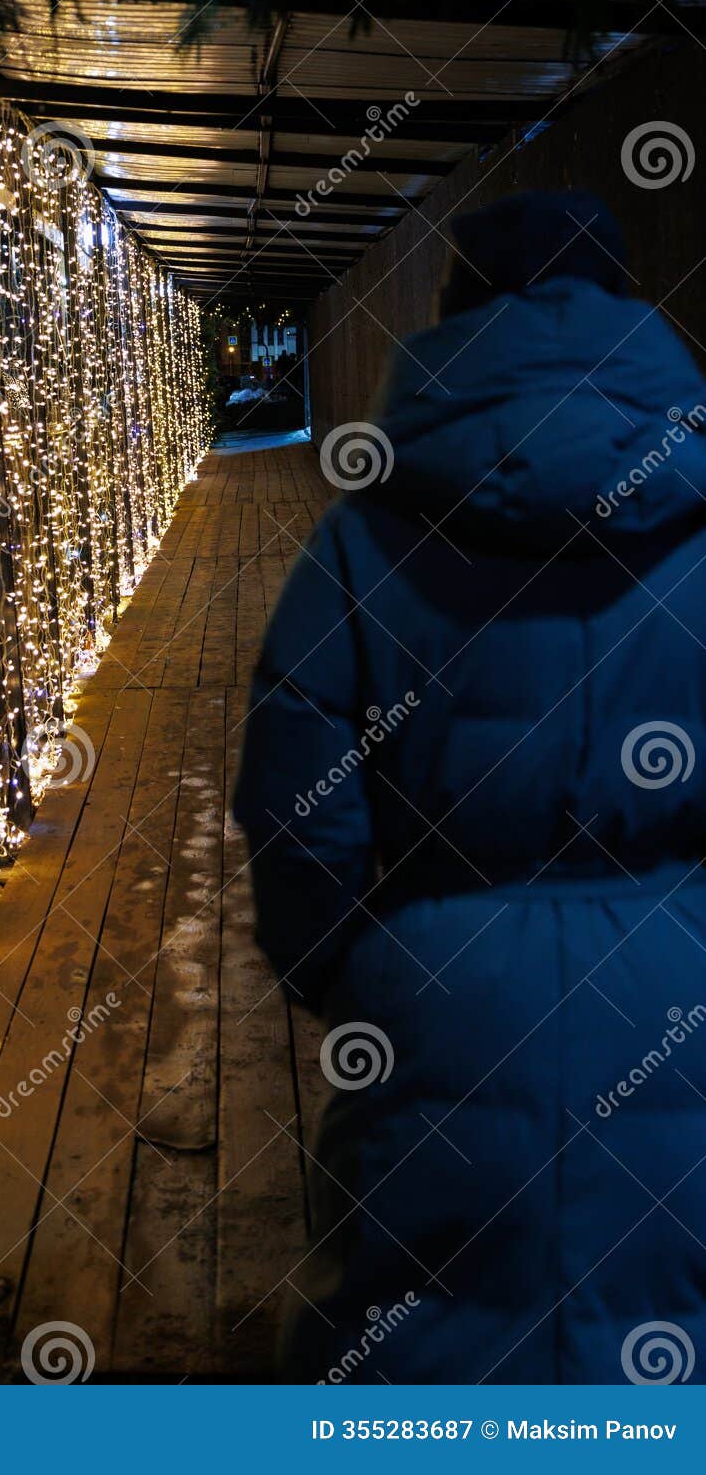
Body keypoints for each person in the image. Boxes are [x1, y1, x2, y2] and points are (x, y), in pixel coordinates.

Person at [233, 189, 706, 1385]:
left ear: (452, 316)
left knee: (418, 1341)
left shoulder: (361, 538)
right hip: (676, 991)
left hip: (432, 988)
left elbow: (299, 791)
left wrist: (350, 963)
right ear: (625, 306)